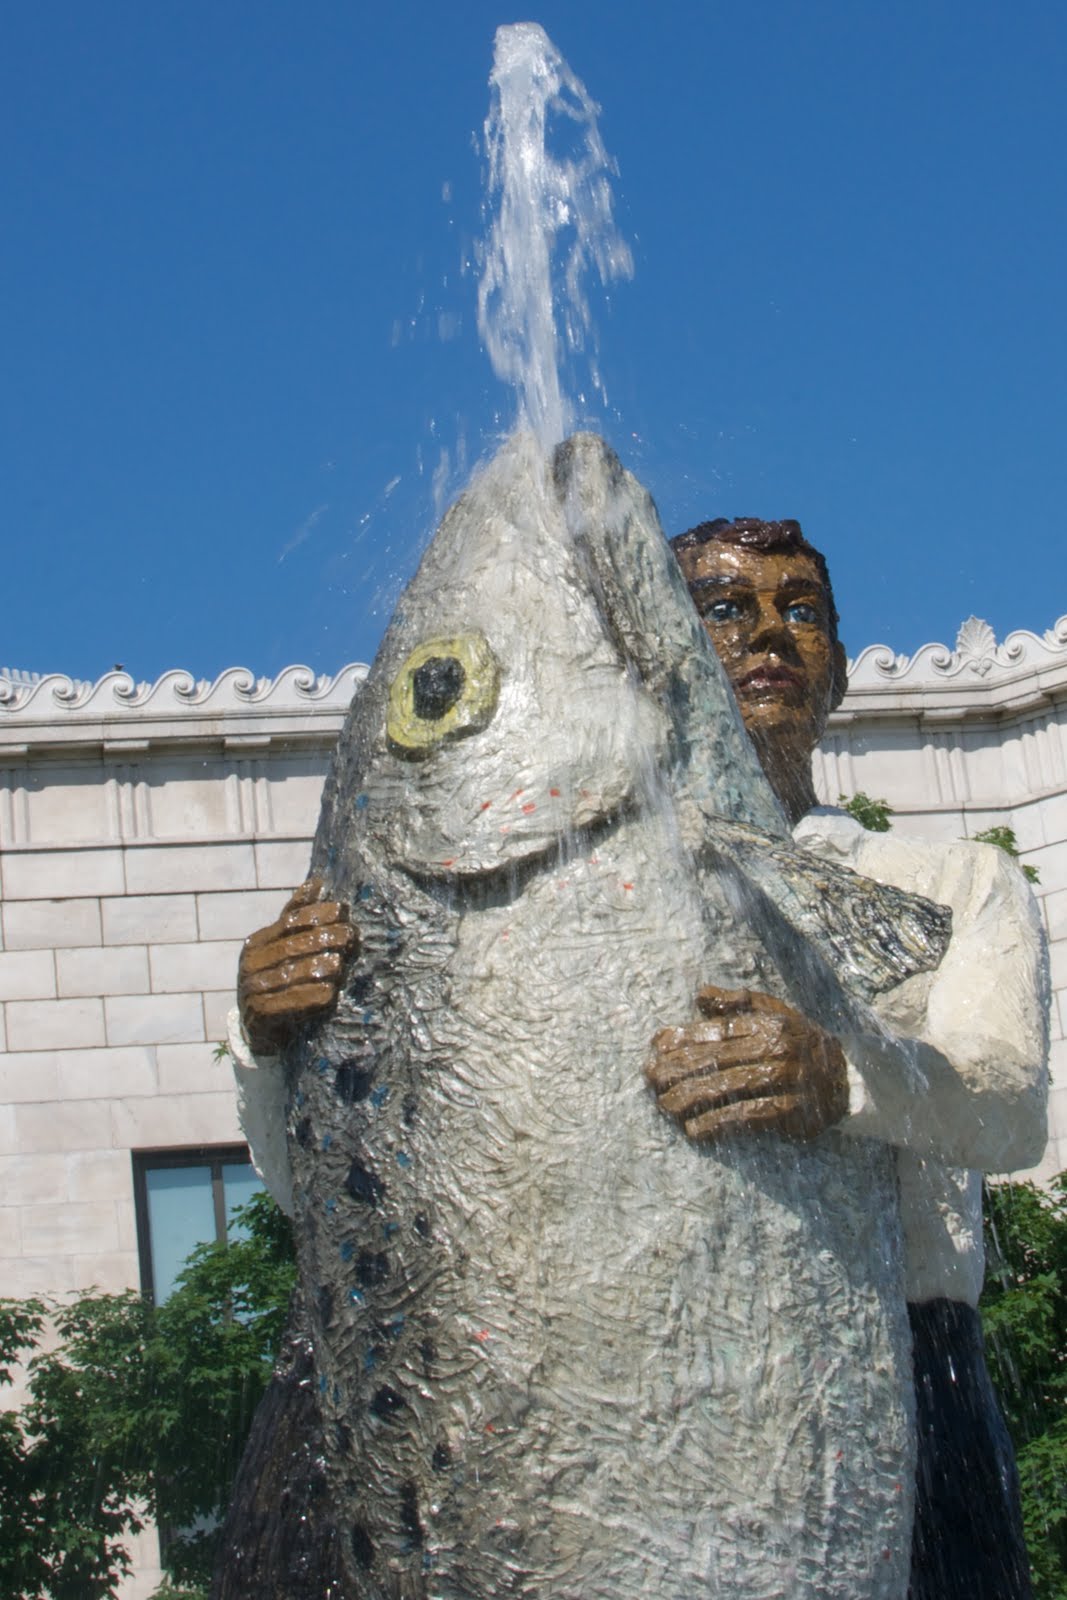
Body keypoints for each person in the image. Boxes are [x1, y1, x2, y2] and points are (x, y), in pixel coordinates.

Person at [230, 516, 1048, 1599]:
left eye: (799, 611)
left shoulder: (953, 883)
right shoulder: (575, 902)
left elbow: (1009, 1114)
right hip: (638, 1381)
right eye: (719, 607)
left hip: (904, 1363)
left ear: (840, 666)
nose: (764, 633)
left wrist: (840, 1077)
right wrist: (270, 1041)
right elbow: (336, 1188)